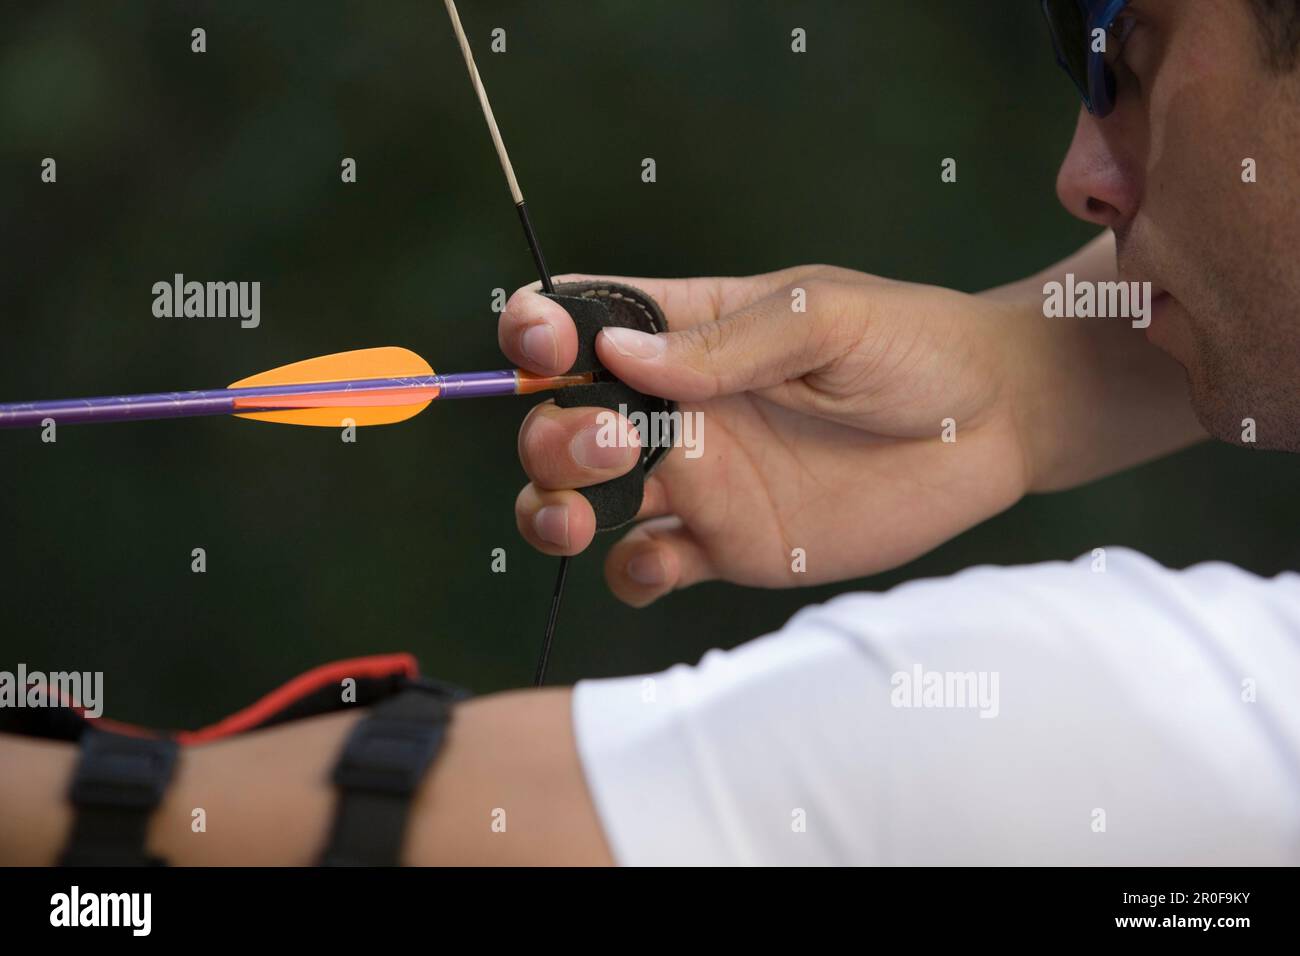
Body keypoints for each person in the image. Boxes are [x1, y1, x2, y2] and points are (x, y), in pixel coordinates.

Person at [3, 0, 1299, 865]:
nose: (1084, 167)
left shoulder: (1169, 728)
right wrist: (1021, 388)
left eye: (1121, 56)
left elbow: (393, 836)